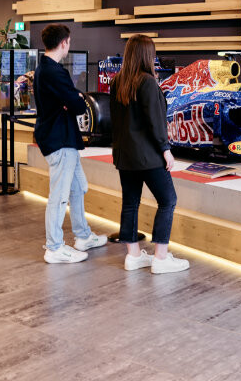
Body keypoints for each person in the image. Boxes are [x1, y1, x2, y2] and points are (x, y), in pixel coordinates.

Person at [110, 34, 189, 274]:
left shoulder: (117, 82)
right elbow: (156, 123)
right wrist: (166, 151)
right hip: (148, 156)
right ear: (147, 55)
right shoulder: (147, 83)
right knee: (168, 200)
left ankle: (133, 255)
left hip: (125, 156)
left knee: (130, 202)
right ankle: (161, 258)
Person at [34, 24, 107, 263]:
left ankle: (83, 235)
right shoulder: (54, 71)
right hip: (59, 140)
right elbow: (77, 104)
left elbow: (73, 100)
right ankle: (54, 247)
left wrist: (72, 99)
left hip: (64, 139)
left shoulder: (45, 68)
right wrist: (73, 99)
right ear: (64, 42)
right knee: (60, 194)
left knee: (78, 188)